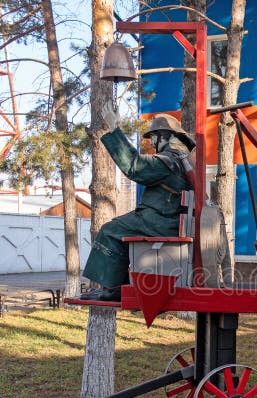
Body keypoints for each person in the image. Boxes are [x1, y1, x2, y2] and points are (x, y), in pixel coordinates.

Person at [80, 106, 194, 301]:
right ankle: (120, 288)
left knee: (110, 230)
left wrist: (115, 130)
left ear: (163, 136)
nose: (152, 143)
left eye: (153, 138)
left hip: (160, 221)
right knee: (118, 229)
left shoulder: (168, 160)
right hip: (165, 219)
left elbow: (135, 167)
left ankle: (113, 290)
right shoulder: (179, 159)